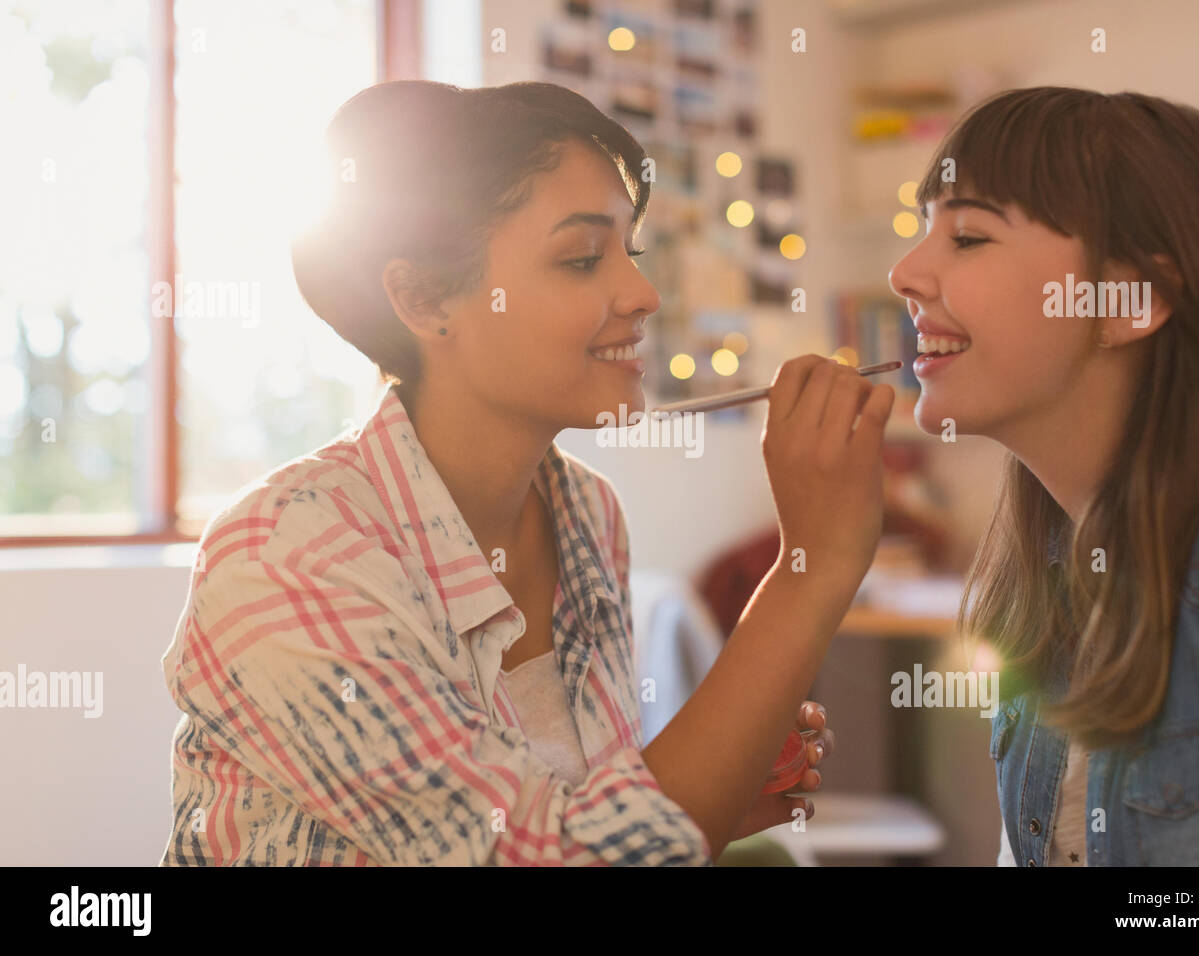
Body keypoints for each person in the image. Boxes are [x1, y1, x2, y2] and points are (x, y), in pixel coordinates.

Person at [158, 80, 895, 865]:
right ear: (422, 299)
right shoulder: (283, 556)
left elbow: (579, 817)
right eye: (582, 258)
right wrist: (809, 569)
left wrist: (704, 795)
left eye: (629, 252)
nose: (642, 294)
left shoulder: (585, 511)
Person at [888, 86, 1199, 866]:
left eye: (969, 237)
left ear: (1131, 299)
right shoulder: (1046, 568)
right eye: (921, 232)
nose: (904, 273)